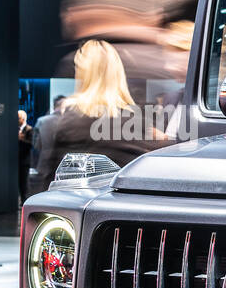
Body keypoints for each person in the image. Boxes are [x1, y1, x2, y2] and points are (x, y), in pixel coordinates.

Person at [38, 40, 157, 189]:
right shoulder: (138, 120)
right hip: (124, 207)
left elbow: (50, 179)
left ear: (82, 74)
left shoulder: (69, 120)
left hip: (80, 207)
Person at [29, 95, 65, 197]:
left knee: (44, 196)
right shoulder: (70, 122)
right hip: (65, 167)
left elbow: (36, 145)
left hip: (44, 164)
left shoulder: (42, 121)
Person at [17, 109, 32, 202]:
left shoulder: (29, 129)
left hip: (24, 161)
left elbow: (32, 144)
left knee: (24, 183)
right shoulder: (13, 129)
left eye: (18, 118)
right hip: (14, 160)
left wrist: (21, 139)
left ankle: (23, 202)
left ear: (23, 119)